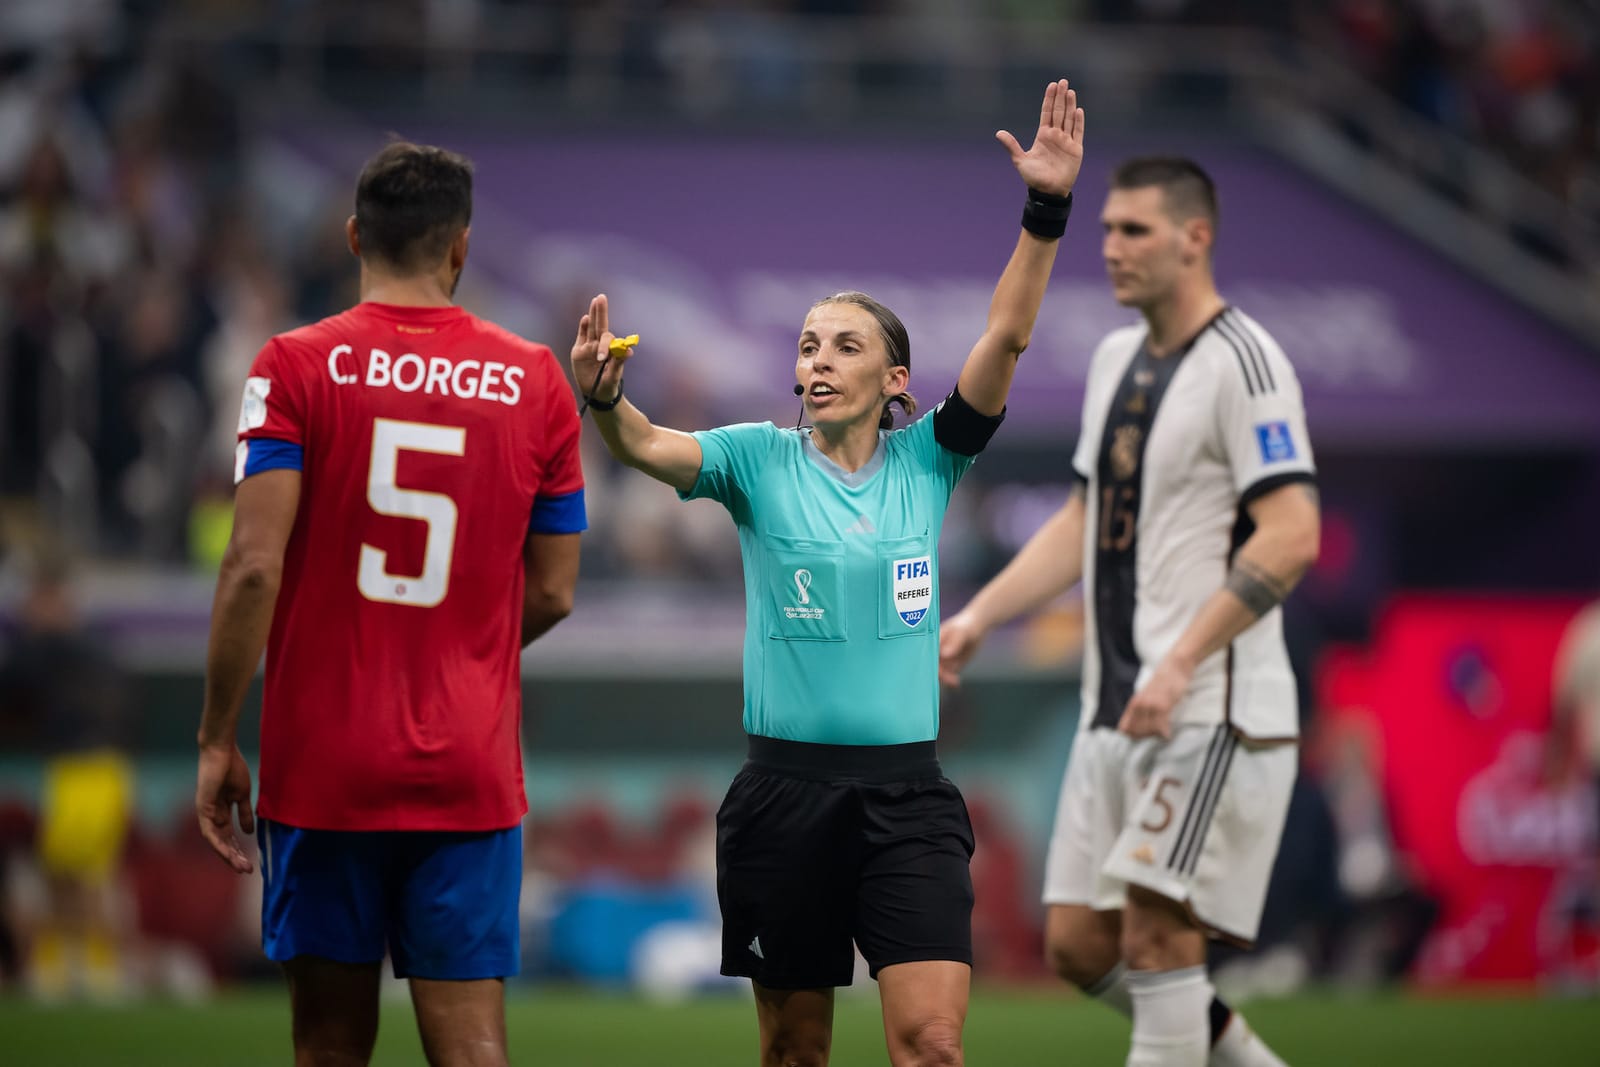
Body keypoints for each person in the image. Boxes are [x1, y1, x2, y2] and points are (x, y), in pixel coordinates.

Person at [570, 79, 1084, 1067]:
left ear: (895, 379)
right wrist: (605, 402)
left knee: (931, 1041)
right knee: (796, 1050)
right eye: (807, 344)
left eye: (845, 345)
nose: (817, 360)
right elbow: (645, 444)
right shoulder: (754, 460)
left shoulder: (930, 461)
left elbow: (1005, 337)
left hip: (910, 804)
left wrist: (1045, 211)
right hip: (783, 796)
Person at [195, 142, 585, 1067]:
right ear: (461, 248)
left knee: (329, 1044)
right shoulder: (534, 379)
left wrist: (216, 734)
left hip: (323, 763)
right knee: (472, 1050)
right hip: (468, 765)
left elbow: (252, 564)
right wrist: (470, 647)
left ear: (352, 236)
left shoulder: (291, 366)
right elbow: (557, 591)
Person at [941, 157, 1320, 1067]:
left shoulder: (1248, 362)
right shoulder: (1115, 359)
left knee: (1157, 937)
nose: (1109, 248)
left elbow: (1293, 533)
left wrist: (1185, 656)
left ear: (1197, 238)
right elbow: (1080, 517)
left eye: (1134, 230)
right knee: (1077, 944)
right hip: (1112, 706)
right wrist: (982, 613)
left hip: (1204, 706)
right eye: (1106, 229)